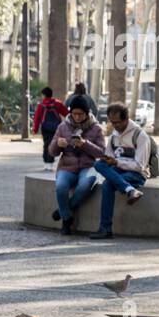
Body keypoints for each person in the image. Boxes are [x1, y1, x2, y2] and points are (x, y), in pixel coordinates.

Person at [48, 94, 106, 235]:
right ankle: (67, 219)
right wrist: (57, 144)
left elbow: (102, 153)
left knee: (85, 185)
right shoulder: (63, 127)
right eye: (74, 114)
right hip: (67, 166)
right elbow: (51, 152)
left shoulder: (96, 128)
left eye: (81, 114)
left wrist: (85, 144)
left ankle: (63, 212)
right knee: (61, 187)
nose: (77, 117)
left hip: (88, 166)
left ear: (87, 113)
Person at [89, 102, 147, 240]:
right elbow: (110, 155)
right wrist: (108, 160)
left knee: (108, 184)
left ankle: (105, 228)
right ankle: (130, 190)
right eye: (112, 122)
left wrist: (117, 162)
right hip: (117, 172)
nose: (115, 126)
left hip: (136, 175)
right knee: (98, 165)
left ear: (126, 119)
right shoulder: (114, 135)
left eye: (118, 122)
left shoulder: (140, 135)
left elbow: (140, 166)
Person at [32, 87, 68, 167]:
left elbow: (37, 119)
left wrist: (35, 129)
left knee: (46, 143)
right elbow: (66, 113)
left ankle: (46, 162)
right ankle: (51, 161)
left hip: (45, 128)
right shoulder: (57, 103)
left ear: (44, 95)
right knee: (53, 143)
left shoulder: (41, 106)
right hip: (56, 127)